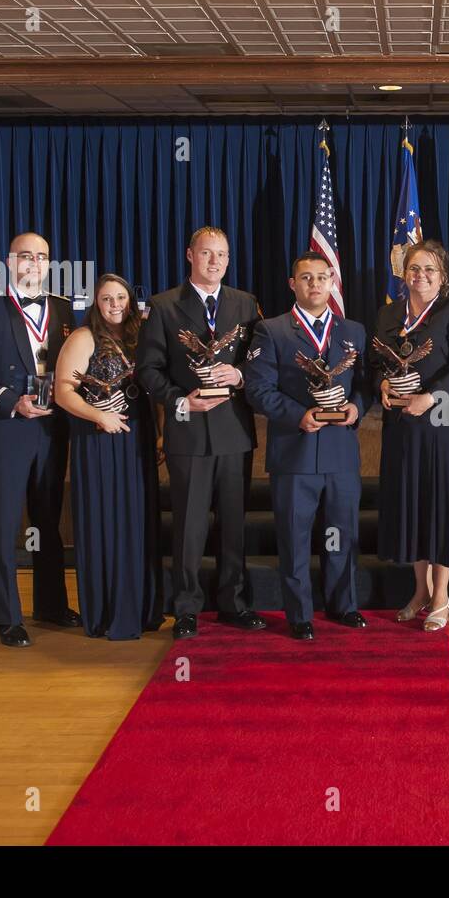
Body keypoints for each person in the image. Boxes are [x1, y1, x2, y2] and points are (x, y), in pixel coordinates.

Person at [137, 226, 262, 640]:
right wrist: (179, 401)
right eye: (207, 254)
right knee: (189, 525)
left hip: (233, 431)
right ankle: (186, 607)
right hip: (187, 430)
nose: (215, 262)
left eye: (222, 255)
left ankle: (234, 603)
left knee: (233, 525)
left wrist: (241, 375)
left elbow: (261, 363)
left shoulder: (246, 305)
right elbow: (148, 370)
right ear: (190, 255)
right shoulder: (163, 306)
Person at [0, 232, 78, 647]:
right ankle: (7, 615)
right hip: (7, 429)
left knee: (47, 520)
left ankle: (51, 605)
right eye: (26, 256)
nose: (34, 263)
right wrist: (11, 401)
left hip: (51, 429)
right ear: (10, 261)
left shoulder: (61, 307)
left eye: (42, 256)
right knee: (4, 523)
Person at [243, 252, 369, 641]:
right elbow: (258, 389)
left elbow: (364, 385)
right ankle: (299, 613)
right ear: (292, 284)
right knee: (295, 538)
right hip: (295, 452)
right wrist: (298, 414)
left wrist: (356, 407)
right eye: (306, 278)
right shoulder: (271, 330)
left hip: (340, 453)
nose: (315, 284)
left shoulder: (354, 332)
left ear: (332, 282)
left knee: (341, 532)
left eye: (321, 277)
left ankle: (343, 604)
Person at [373, 239, 449, 632]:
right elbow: (374, 362)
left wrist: (430, 398)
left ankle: (441, 596)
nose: (421, 276)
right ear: (404, 273)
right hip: (399, 427)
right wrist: (382, 384)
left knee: (437, 508)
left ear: (443, 277)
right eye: (414, 268)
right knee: (411, 507)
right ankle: (419, 591)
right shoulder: (388, 313)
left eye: (430, 270)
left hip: (440, 426)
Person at [54, 274, 163, 640]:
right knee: (106, 518)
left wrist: (161, 432)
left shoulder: (141, 338)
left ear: (130, 301)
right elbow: (63, 392)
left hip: (137, 439)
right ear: (96, 304)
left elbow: (154, 392)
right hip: (99, 442)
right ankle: (107, 611)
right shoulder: (83, 338)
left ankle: (142, 607)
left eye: (121, 298)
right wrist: (99, 415)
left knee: (137, 521)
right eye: (107, 299)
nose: (115, 305)